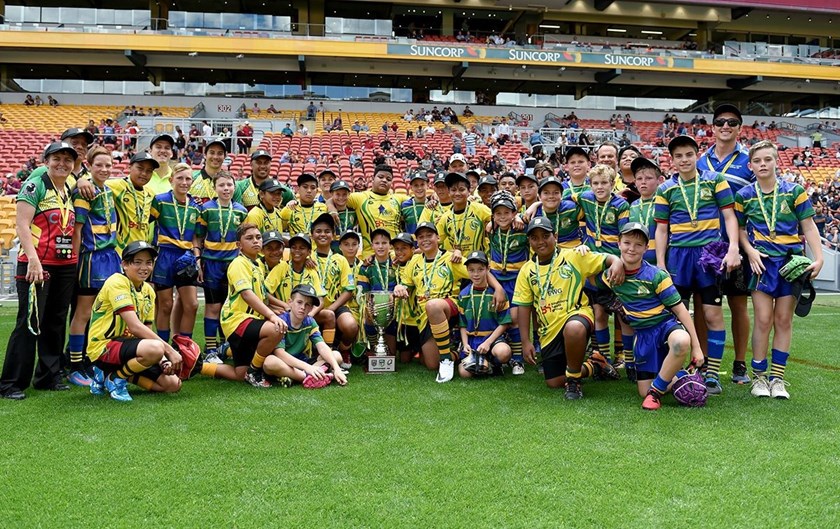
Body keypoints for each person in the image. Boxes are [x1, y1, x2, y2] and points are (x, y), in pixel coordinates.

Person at [735, 140, 824, 400]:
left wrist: (818, 258)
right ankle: (759, 377)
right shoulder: (745, 196)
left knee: (783, 319)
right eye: (758, 161)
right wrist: (749, 251)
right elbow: (740, 230)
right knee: (763, 319)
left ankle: (778, 378)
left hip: (789, 262)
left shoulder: (794, 191)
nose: (763, 164)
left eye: (767, 160)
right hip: (760, 263)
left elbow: (808, 226)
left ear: (776, 161)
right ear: (751, 165)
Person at [654, 135, 741, 396]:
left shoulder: (715, 180)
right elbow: (661, 229)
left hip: (708, 255)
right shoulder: (665, 189)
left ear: (697, 155)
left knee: (713, 315)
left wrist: (734, 247)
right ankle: (676, 370)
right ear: (672, 159)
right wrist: (660, 262)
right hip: (678, 257)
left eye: (688, 154)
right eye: (678, 156)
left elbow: (729, 215)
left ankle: (712, 374)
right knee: (675, 316)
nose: (684, 160)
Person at [513, 217, 624, 400]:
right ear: (529, 241)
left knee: (574, 328)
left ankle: (573, 382)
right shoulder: (527, 270)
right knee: (554, 382)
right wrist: (526, 342)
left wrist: (617, 262)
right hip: (549, 331)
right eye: (534, 238)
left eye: (545, 235)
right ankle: (595, 365)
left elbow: (607, 259)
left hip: (576, 316)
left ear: (555, 236)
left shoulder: (573, 256)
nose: (540, 241)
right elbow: (524, 308)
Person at [0, 142, 79, 400]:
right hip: (36, 265)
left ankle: (48, 376)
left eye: (68, 160)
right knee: (29, 323)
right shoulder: (35, 185)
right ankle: (11, 383)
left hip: (64, 265)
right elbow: (22, 224)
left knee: (55, 322)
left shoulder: (68, 187)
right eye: (57, 158)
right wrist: (33, 259)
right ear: (46, 160)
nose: (62, 163)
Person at [599, 223, 705, 410]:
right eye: (627, 243)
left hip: (665, 327)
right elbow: (586, 271)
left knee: (681, 341)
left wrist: (696, 347)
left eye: (639, 245)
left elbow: (680, 310)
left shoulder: (656, 276)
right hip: (643, 336)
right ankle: (682, 376)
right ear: (618, 244)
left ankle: (655, 395)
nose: (632, 248)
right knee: (643, 390)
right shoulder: (610, 276)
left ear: (647, 248)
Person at [393, 222, 505, 383]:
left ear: (438, 238)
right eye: (421, 237)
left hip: (448, 308)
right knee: (430, 364)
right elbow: (406, 285)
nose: (425, 240)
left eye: (429, 236)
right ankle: (458, 353)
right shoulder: (415, 261)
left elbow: (478, 268)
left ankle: (446, 360)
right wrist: (399, 287)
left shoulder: (452, 258)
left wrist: (498, 288)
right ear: (417, 241)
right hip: (424, 317)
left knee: (434, 305)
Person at [695, 104, 755, 385]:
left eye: (732, 122)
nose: (726, 126)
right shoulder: (700, 161)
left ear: (739, 128)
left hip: (737, 245)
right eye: (720, 122)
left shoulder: (749, 160)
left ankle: (740, 364)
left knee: (738, 305)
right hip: (705, 245)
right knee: (703, 304)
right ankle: (703, 363)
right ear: (713, 127)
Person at [84, 241, 184, 402]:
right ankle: (116, 378)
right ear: (124, 264)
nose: (144, 267)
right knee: (156, 348)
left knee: (173, 385)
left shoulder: (148, 291)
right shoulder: (116, 282)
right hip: (103, 347)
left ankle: (107, 375)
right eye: (137, 262)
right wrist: (169, 351)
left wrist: (163, 360)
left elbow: (147, 331)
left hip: (130, 349)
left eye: (149, 263)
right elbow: (135, 327)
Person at [66, 146, 121, 387]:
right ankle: (74, 364)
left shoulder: (108, 190)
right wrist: (74, 262)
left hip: (110, 257)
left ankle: (92, 359)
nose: (104, 169)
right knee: (83, 312)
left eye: (108, 165)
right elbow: (77, 231)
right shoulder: (84, 191)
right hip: (91, 258)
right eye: (99, 164)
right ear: (89, 165)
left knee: (104, 310)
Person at [218, 224, 288, 388]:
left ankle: (203, 366)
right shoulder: (239, 263)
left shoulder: (257, 265)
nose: (255, 241)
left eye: (258, 237)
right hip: (236, 320)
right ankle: (254, 372)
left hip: (249, 320)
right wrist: (271, 315)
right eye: (249, 238)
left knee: (239, 374)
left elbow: (261, 296)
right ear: (239, 245)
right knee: (276, 329)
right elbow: (247, 295)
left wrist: (278, 308)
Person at [574, 164, 631, 367]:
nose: (600, 187)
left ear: (612, 183)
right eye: (595, 183)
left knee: (623, 315)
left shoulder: (621, 206)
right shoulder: (585, 198)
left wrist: (623, 263)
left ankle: (628, 359)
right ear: (590, 185)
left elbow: (625, 237)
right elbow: (557, 204)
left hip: (614, 263)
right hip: (593, 264)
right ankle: (603, 358)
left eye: (604, 183)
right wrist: (533, 206)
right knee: (599, 312)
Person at [193, 171, 248, 364]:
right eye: (222, 185)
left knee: (229, 307)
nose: (226, 189)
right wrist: (198, 259)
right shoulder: (206, 210)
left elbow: (244, 239)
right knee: (213, 307)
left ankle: (225, 346)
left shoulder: (241, 211)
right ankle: (210, 350)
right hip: (212, 263)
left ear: (234, 187)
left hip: (234, 264)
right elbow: (198, 236)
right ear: (215, 188)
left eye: (229, 185)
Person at [149, 163, 201, 344]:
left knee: (192, 305)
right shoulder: (160, 200)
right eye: (180, 178)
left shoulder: (195, 206)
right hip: (164, 255)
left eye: (188, 179)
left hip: (186, 257)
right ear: (171, 180)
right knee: (165, 305)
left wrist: (197, 257)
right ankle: (163, 348)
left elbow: (195, 235)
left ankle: (184, 347)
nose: (184, 182)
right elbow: (145, 223)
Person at [270, 285, 347, 388]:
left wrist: (337, 368)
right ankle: (311, 376)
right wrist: (308, 368)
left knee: (336, 356)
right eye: (299, 302)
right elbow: (279, 353)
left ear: (311, 308)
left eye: (307, 305)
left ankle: (298, 377)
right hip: (285, 362)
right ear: (290, 302)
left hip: (302, 361)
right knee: (269, 362)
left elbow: (322, 346)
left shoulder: (310, 321)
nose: (303, 307)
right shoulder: (281, 321)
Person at [326, 164, 409, 257]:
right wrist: (332, 210)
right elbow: (332, 199)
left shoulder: (399, 198)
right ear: (372, 178)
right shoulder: (360, 197)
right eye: (381, 177)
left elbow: (420, 202)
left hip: (396, 255)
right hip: (370, 256)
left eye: (388, 179)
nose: (384, 180)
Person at [487, 192, 528, 374]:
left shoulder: (522, 229)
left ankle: (518, 360)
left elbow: (527, 203)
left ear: (514, 213)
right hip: (496, 279)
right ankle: (500, 354)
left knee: (514, 319)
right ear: (493, 216)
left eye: (507, 213)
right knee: (499, 316)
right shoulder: (491, 229)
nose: (502, 217)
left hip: (516, 279)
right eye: (498, 213)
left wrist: (520, 216)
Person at [311, 214, 358, 367]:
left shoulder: (340, 259)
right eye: (318, 231)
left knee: (351, 326)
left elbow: (348, 290)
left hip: (334, 305)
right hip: (311, 307)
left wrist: (332, 307)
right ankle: (321, 357)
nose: (323, 234)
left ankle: (343, 350)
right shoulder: (306, 257)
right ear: (312, 235)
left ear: (334, 235)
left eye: (327, 231)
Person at [457, 251, 512, 378]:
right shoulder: (464, 295)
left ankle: (494, 363)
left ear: (488, 269)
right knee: (464, 374)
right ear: (467, 270)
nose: (476, 274)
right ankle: (486, 366)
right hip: (472, 341)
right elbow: (462, 324)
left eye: (480, 269)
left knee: (504, 352)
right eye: (471, 270)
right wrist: (465, 344)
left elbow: (505, 323)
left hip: (493, 339)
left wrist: (488, 342)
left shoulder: (497, 294)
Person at [358, 229, 399, 357]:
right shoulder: (366, 267)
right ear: (372, 245)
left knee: (391, 354)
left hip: (395, 307)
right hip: (374, 308)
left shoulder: (397, 263)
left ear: (390, 245)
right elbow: (362, 292)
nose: (380, 246)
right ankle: (373, 347)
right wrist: (368, 305)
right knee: (368, 313)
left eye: (384, 243)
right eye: (377, 243)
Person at [436, 172, 492, 259]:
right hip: (457, 264)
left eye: (461, 189)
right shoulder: (445, 218)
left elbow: (501, 218)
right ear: (449, 192)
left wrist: (515, 217)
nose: (457, 193)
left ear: (469, 191)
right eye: (453, 190)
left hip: (480, 263)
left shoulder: (480, 209)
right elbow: (435, 242)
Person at [189, 139, 227, 206]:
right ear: (205, 155)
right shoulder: (191, 178)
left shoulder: (230, 183)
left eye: (220, 153)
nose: (215, 157)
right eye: (212, 153)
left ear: (225, 156)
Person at [329, 180, 357, 252]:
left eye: (344, 194)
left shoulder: (354, 212)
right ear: (332, 194)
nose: (341, 197)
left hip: (348, 250)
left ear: (349, 194)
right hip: (332, 250)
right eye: (337, 194)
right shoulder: (327, 212)